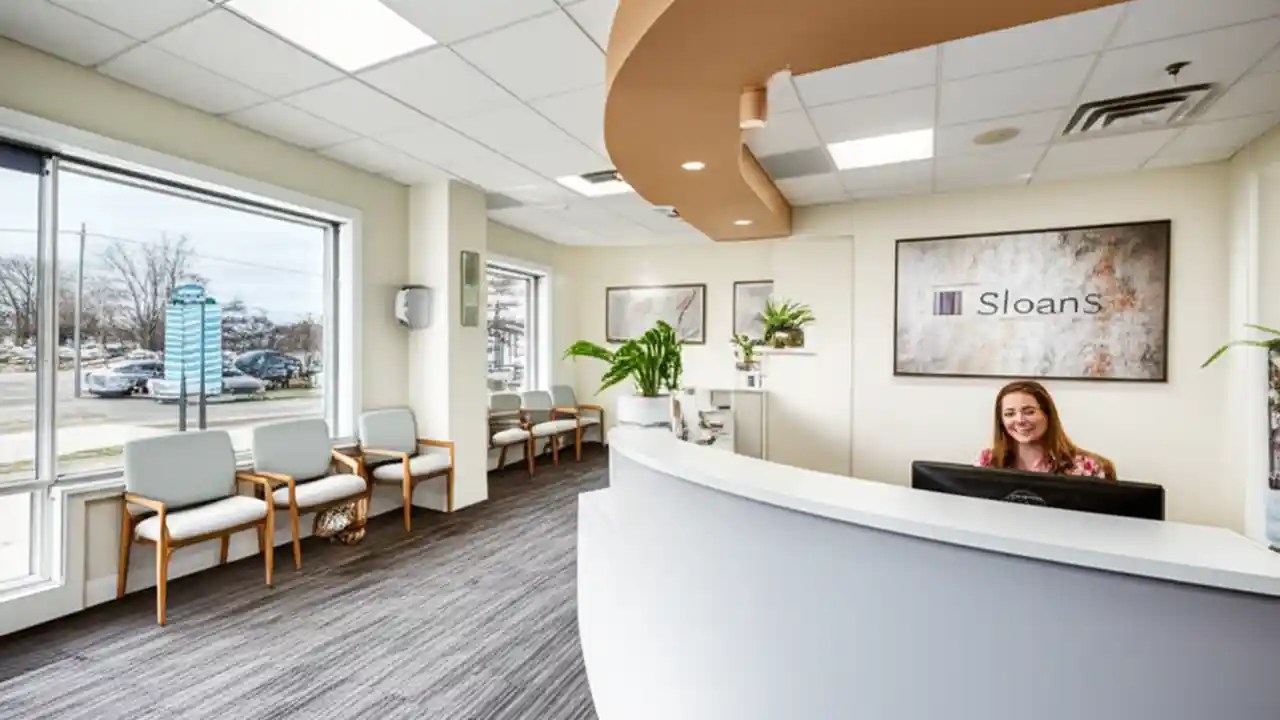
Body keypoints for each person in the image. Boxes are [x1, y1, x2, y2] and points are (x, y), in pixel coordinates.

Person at [976, 379, 1114, 479]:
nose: (1020, 420)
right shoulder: (987, 462)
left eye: (1029, 412)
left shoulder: (1089, 468)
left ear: (1048, 415)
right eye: (1009, 414)